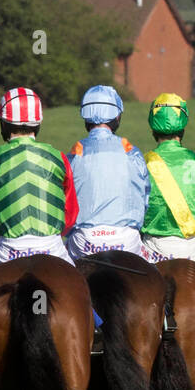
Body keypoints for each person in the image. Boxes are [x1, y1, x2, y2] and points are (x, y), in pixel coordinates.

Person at [0, 87, 79, 281]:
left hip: (7, 252)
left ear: (3, 123)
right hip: (52, 249)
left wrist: (2, 241)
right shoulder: (60, 158)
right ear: (38, 123)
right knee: (85, 296)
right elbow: (70, 213)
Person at [64, 85, 150, 259]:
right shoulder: (131, 151)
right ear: (117, 116)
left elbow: (65, 199)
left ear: (85, 117)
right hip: (127, 241)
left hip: (84, 242)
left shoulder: (76, 152)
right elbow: (145, 197)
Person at [139, 93, 195, 268]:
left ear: (153, 129)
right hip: (191, 250)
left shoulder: (142, 163)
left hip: (151, 249)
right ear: (183, 128)